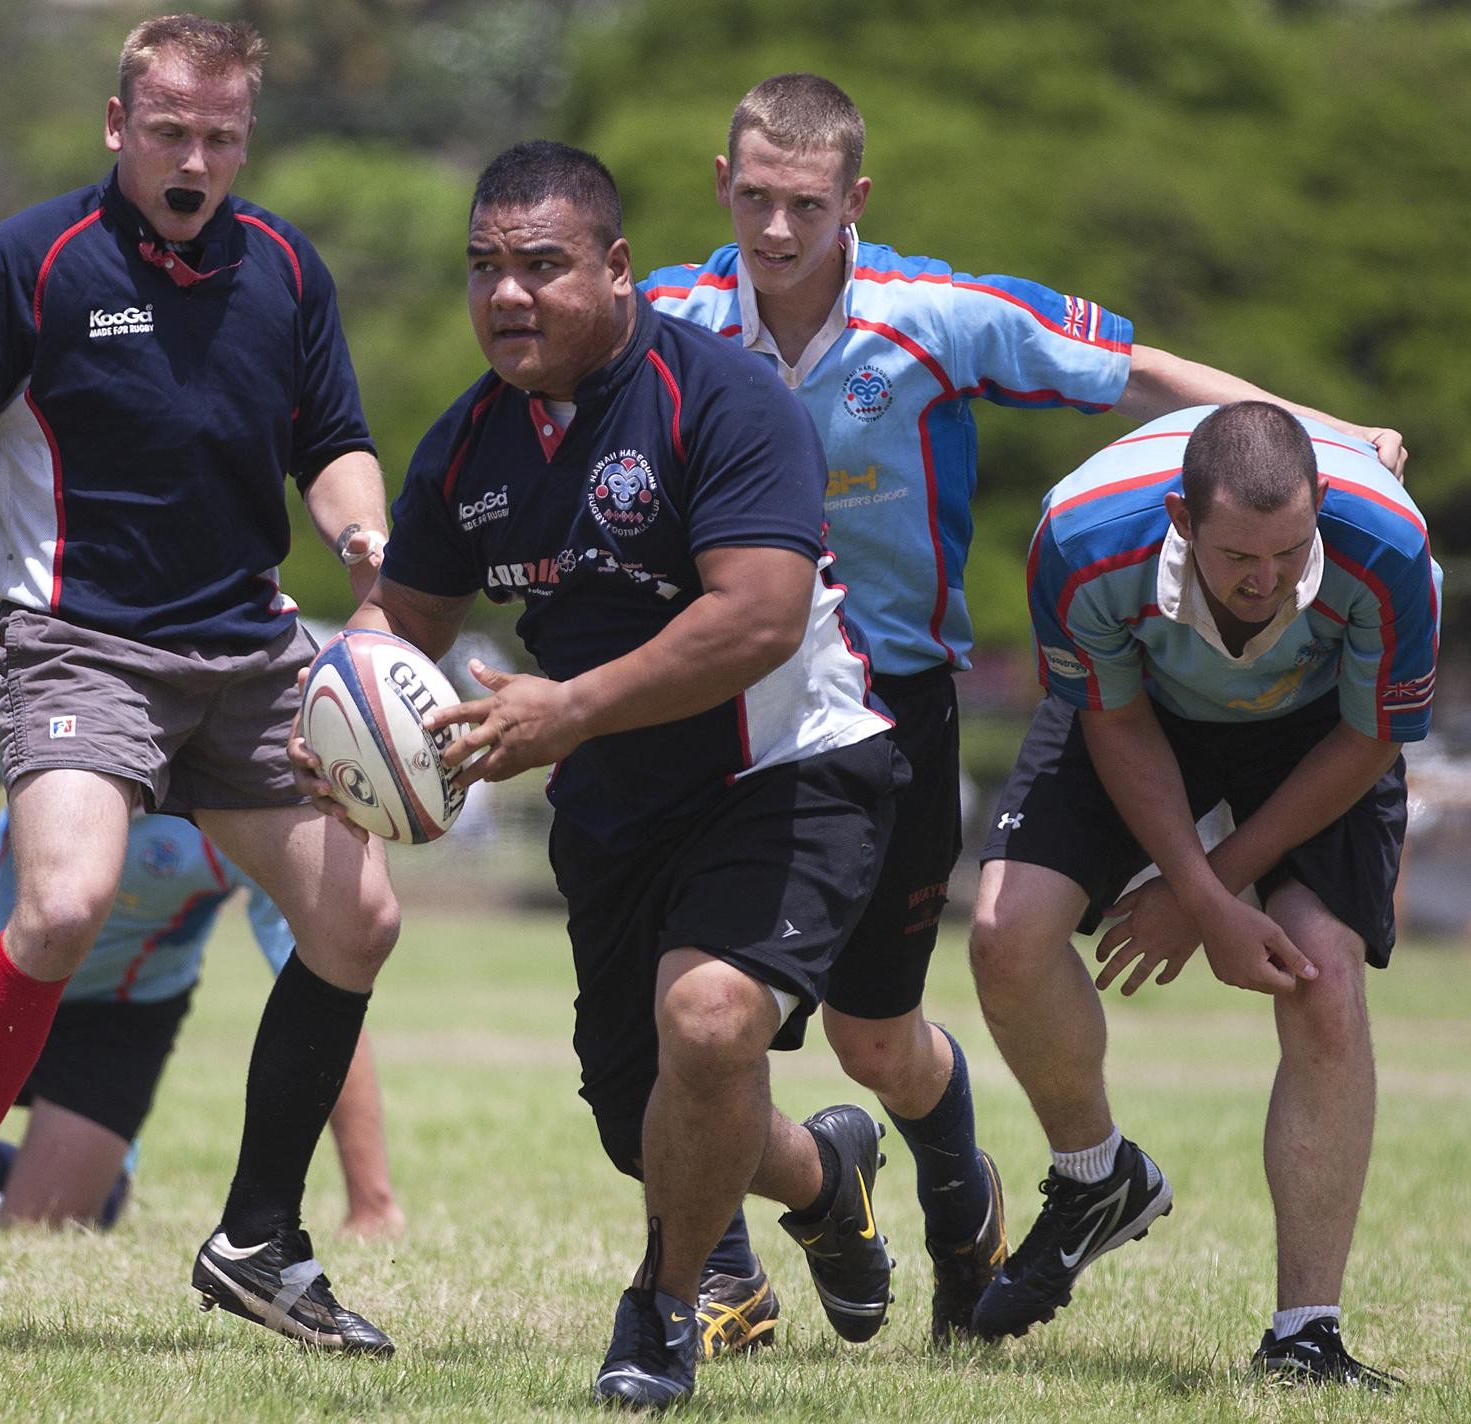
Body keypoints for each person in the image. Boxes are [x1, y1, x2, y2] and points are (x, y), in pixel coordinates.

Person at [641, 72, 1409, 1348]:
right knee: (680, 997)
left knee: (872, 1035)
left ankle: (962, 1194)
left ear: (855, 202)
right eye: (757, 199)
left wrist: (1326, 432)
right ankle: (717, 1268)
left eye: (808, 205)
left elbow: (1143, 371)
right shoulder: (665, 316)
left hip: (887, 712)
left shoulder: (933, 314)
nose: (777, 233)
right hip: (719, 694)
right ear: (720, 183)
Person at [306, 138, 905, 1410]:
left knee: (708, 1022)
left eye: (541, 266)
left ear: (619, 268)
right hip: (618, 804)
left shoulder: (727, 400)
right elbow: (396, 623)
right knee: (641, 1108)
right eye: (484, 269)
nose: (507, 296)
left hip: (788, 767)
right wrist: (340, 730)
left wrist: (568, 708)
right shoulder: (467, 447)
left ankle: (664, 1311)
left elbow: (758, 614)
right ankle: (825, 1177)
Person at [0, 14, 402, 1352]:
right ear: (119, 126)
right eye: (170, 130)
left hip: (249, 647)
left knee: (362, 924)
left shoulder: (285, 268)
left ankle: (259, 1241)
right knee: (62, 902)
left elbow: (336, 444)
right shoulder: (30, 263)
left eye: (222, 135)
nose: (196, 156)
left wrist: (363, 535)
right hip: (82, 640)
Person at [966, 402, 1434, 1389]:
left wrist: (1206, 892)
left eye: (1290, 552)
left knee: (1323, 977)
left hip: (1316, 735)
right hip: (1140, 710)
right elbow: (1115, 720)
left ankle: (1305, 1333)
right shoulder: (1080, 534)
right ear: (1180, 515)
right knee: (1005, 933)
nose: (1266, 581)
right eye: (1238, 559)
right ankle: (1096, 1175)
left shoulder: (1390, 545)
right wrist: (1199, 889)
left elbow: (1370, 736)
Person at [0, 688, 404, 1237]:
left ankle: (95, 1174)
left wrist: (371, 1201)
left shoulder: (256, 780)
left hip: (121, 1011)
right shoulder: (61, 684)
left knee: (40, 1225)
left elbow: (323, 985)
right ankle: (34, 1165)